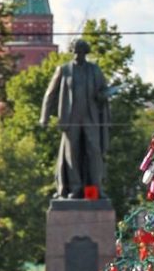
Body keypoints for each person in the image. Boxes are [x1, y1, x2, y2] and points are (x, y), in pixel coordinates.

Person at [40, 38, 111, 198]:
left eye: (80, 51)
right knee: (71, 154)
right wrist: (44, 117)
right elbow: (50, 94)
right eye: (74, 51)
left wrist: (103, 95)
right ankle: (75, 188)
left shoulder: (94, 70)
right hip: (70, 119)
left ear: (85, 52)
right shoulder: (64, 70)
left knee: (94, 152)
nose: (77, 54)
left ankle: (95, 189)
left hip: (90, 118)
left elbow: (102, 92)